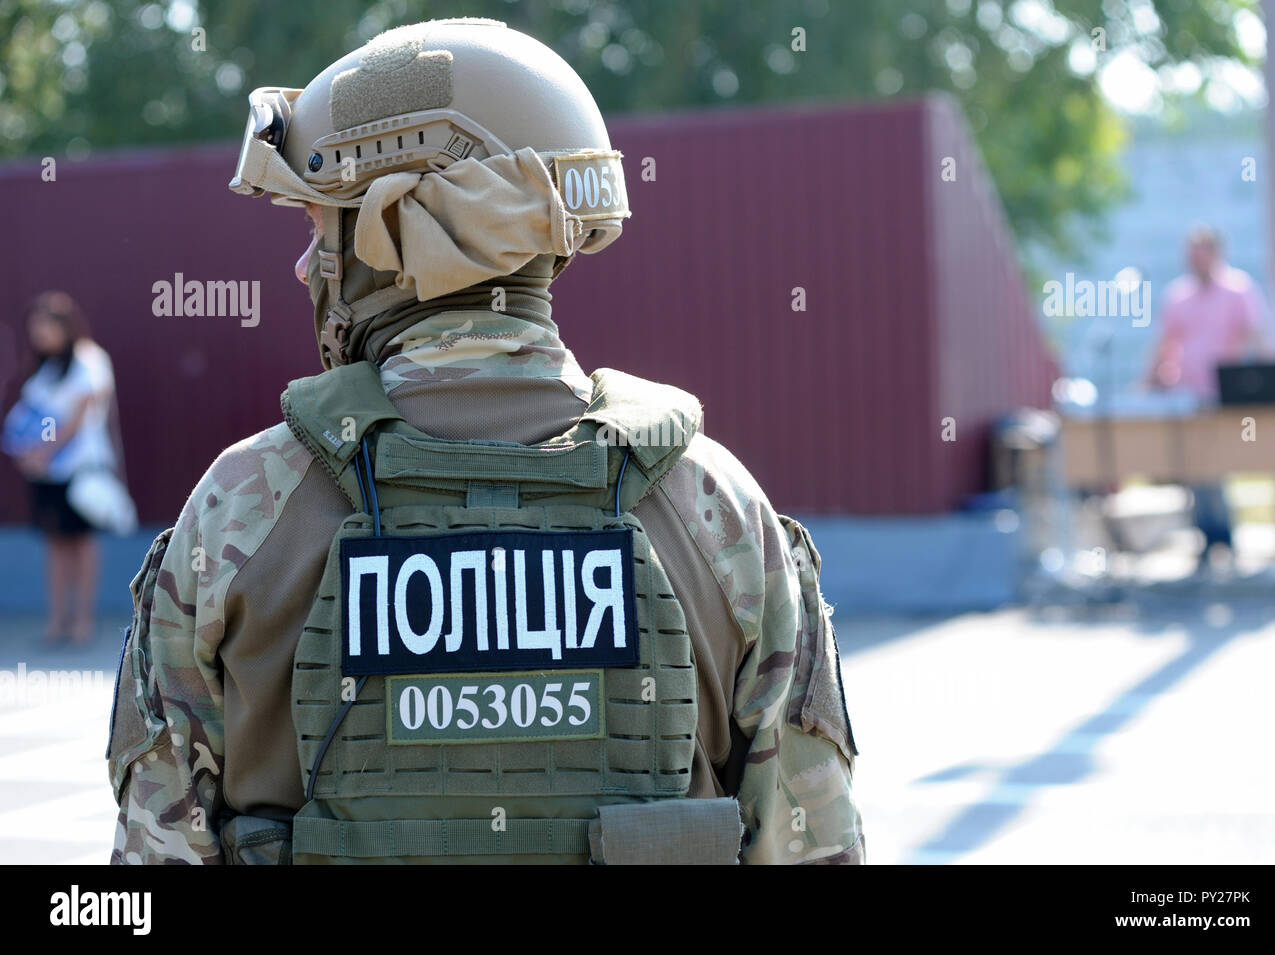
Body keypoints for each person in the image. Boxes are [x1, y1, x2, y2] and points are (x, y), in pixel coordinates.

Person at [107, 18, 861, 865]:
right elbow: (814, 843)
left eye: (324, 225)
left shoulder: (242, 506)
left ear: (400, 227)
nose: (305, 266)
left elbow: (156, 853)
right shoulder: (715, 503)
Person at [1146, 226, 1266, 568]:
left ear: (1216, 253)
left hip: (1223, 395)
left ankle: (1224, 536)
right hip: (1186, 394)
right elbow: (1165, 343)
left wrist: (1254, 384)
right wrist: (1148, 382)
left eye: (1202, 253)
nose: (1196, 260)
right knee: (1195, 470)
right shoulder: (1178, 295)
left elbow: (1256, 336)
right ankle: (1205, 537)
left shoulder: (1237, 289)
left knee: (1217, 468)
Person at [3, 292, 118, 645]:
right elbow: (33, 418)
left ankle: (82, 620)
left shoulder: (89, 359)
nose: (39, 333)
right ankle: (58, 621)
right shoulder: (43, 368)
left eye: (46, 325)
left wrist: (45, 449)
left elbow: (84, 410)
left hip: (80, 469)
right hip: (47, 474)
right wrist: (28, 450)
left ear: (65, 326)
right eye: (34, 327)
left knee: (82, 542)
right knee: (55, 544)